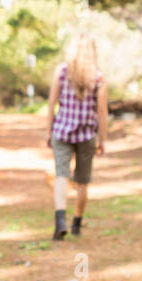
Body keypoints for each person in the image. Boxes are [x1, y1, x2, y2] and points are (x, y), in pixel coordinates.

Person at [46, 33, 107, 240]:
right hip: (87, 134)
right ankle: (76, 224)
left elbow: (51, 104)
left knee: (61, 175)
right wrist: (103, 139)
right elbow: (101, 111)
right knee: (82, 181)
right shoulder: (97, 77)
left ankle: (60, 220)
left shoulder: (62, 72)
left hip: (62, 131)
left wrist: (48, 130)